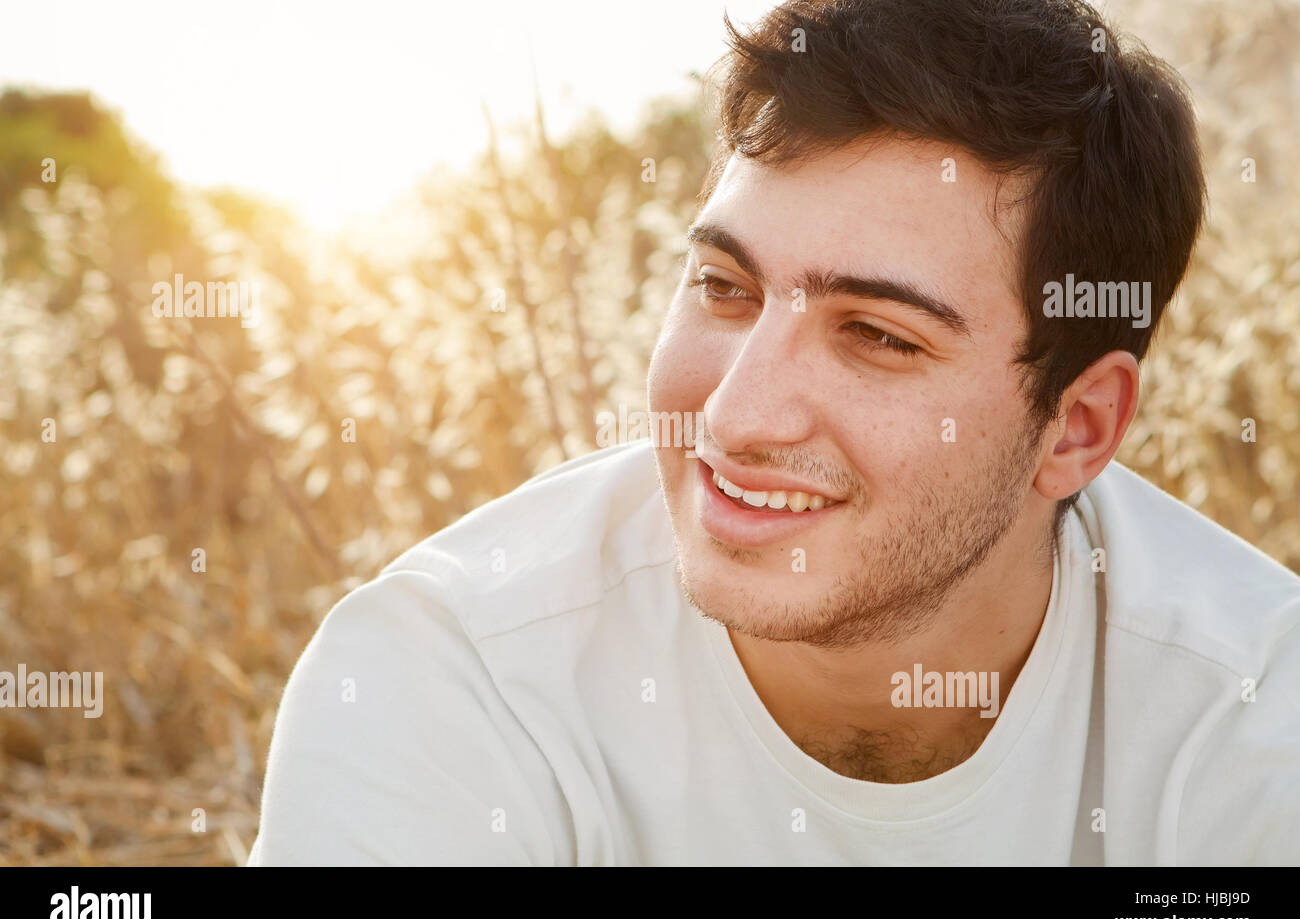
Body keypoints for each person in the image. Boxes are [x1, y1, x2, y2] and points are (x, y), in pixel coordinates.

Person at [248, 0, 1300, 865]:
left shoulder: (1255, 717)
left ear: (1074, 427)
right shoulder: (445, 684)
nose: (735, 415)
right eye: (722, 285)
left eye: (880, 337)